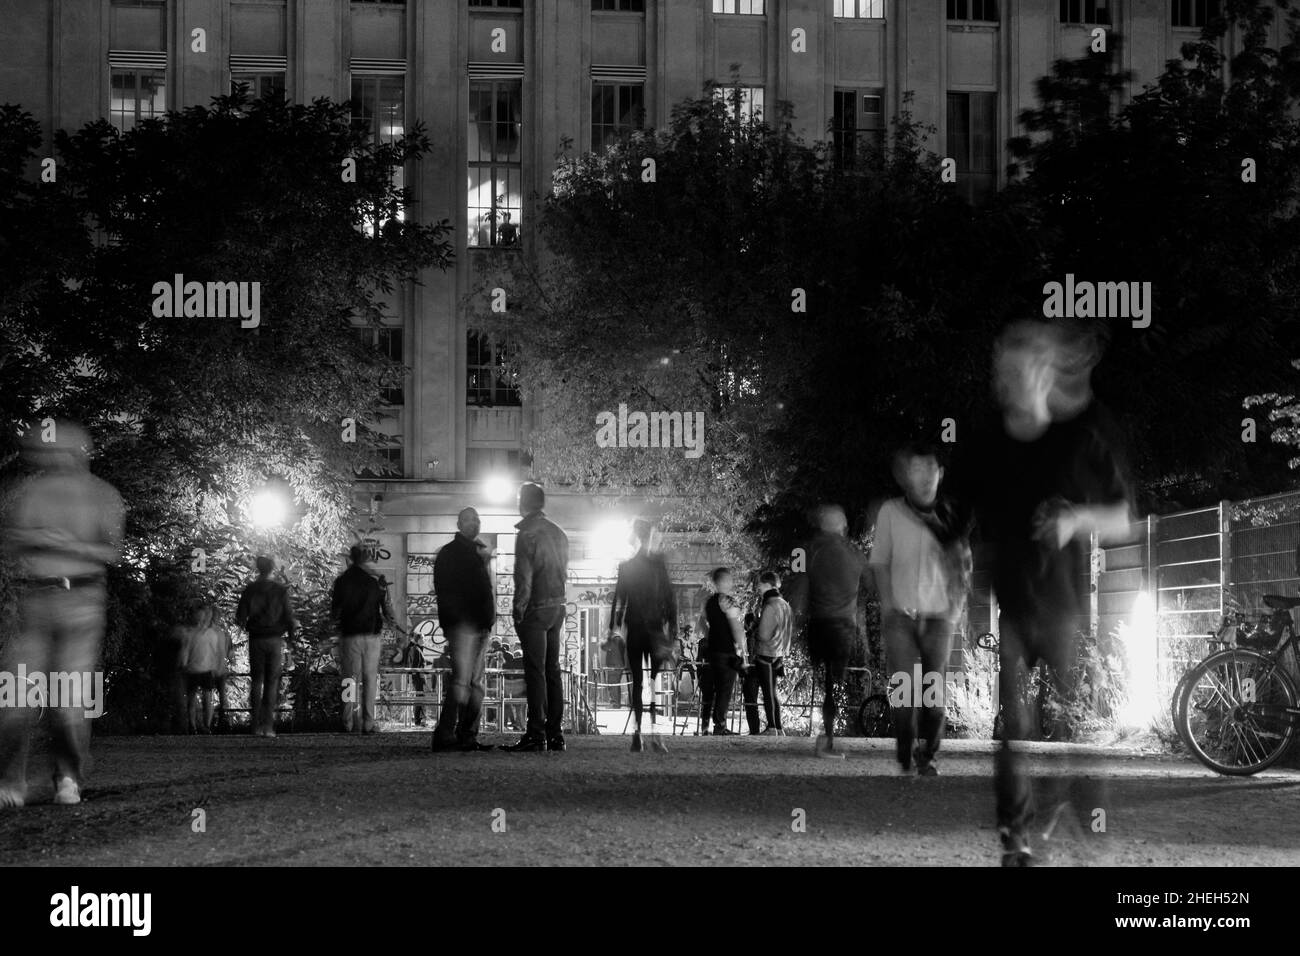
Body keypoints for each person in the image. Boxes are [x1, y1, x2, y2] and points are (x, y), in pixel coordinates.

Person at [949, 320, 1131, 866]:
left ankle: (1073, 817)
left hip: (1066, 607)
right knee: (1015, 725)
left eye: (1017, 366)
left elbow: (1123, 517)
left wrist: (1076, 518)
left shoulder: (1082, 433)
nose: (1005, 377)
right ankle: (1017, 837)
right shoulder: (983, 440)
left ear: (1044, 370)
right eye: (1000, 368)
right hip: (1012, 605)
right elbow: (955, 519)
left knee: (1076, 724)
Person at [0, 420, 124, 808]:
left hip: (82, 599)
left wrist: (71, 545)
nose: (52, 461)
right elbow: (10, 539)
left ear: (76, 454)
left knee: (69, 695)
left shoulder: (103, 495)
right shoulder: (33, 492)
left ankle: (67, 778)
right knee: (17, 692)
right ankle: (9, 782)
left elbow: (112, 552)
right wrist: (34, 538)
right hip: (34, 597)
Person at [870, 441, 971, 776]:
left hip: (940, 615)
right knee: (902, 685)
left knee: (933, 688)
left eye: (930, 470)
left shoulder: (951, 514)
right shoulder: (890, 512)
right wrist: (888, 604)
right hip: (901, 614)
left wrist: (955, 608)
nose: (925, 477)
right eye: (917, 470)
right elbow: (880, 562)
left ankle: (928, 752)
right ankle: (904, 741)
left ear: (940, 474)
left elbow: (963, 565)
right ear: (906, 477)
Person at [501, 483, 570, 753]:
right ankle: (556, 734)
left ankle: (535, 733)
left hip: (536, 607)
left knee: (535, 671)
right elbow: (564, 571)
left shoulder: (527, 534)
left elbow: (524, 577)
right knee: (553, 670)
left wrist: (518, 608)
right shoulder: (559, 533)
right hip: (558, 606)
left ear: (523, 503)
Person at [805, 504, 873, 759]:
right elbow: (869, 583)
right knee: (834, 683)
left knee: (827, 685)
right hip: (843, 626)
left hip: (818, 624)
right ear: (843, 527)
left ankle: (827, 735)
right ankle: (829, 737)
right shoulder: (853, 553)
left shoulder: (813, 550)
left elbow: (801, 582)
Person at [431, 507, 497, 752]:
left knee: (474, 683)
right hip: (464, 625)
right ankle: (449, 734)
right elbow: (446, 591)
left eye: (477, 520)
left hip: (477, 624)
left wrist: (488, 619)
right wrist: (456, 621)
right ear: (459, 524)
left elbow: (484, 589)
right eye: (470, 520)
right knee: (463, 682)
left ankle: (464, 735)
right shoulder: (453, 553)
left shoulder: (477, 552)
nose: (475, 523)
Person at [608, 519, 677, 753]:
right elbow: (670, 597)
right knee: (654, 682)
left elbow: (619, 598)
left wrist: (613, 627)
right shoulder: (658, 565)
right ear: (648, 536)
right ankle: (655, 734)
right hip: (655, 628)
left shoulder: (627, 566)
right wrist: (673, 629)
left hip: (635, 627)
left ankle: (638, 733)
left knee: (637, 682)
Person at [331, 544, 406, 734]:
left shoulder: (342, 581)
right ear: (366, 559)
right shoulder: (375, 581)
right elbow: (386, 607)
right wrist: (397, 627)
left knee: (349, 680)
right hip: (371, 636)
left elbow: (335, 612)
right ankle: (368, 723)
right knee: (370, 679)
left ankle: (347, 722)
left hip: (349, 636)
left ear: (351, 558)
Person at [236, 555, 297, 738]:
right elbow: (288, 615)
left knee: (256, 681)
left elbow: (240, 617)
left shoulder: (250, 590)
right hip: (275, 638)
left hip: (256, 638)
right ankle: (268, 725)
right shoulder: (280, 590)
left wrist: (248, 624)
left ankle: (254, 724)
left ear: (258, 568)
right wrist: (292, 638)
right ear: (272, 568)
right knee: (272, 683)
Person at [695, 568, 747, 736]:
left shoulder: (709, 602)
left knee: (714, 688)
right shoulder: (728, 601)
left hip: (713, 650)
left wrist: (711, 635)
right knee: (725, 689)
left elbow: (701, 621)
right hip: (726, 650)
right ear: (723, 581)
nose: (731, 582)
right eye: (729, 579)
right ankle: (720, 725)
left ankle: (709, 725)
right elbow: (736, 627)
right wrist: (743, 650)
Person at [743, 571, 793, 736]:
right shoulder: (785, 604)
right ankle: (778, 727)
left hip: (766, 653)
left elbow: (764, 634)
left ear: (767, 584)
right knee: (772, 692)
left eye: (760, 584)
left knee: (768, 692)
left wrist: (755, 628)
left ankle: (772, 727)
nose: (758, 587)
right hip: (779, 653)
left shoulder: (770, 605)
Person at [176, 604, 232, 735]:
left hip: (202, 669)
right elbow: (188, 650)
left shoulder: (206, 633)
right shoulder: (200, 633)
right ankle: (197, 725)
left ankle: (200, 725)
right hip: (197, 669)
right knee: (201, 698)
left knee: (202, 698)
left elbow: (187, 651)